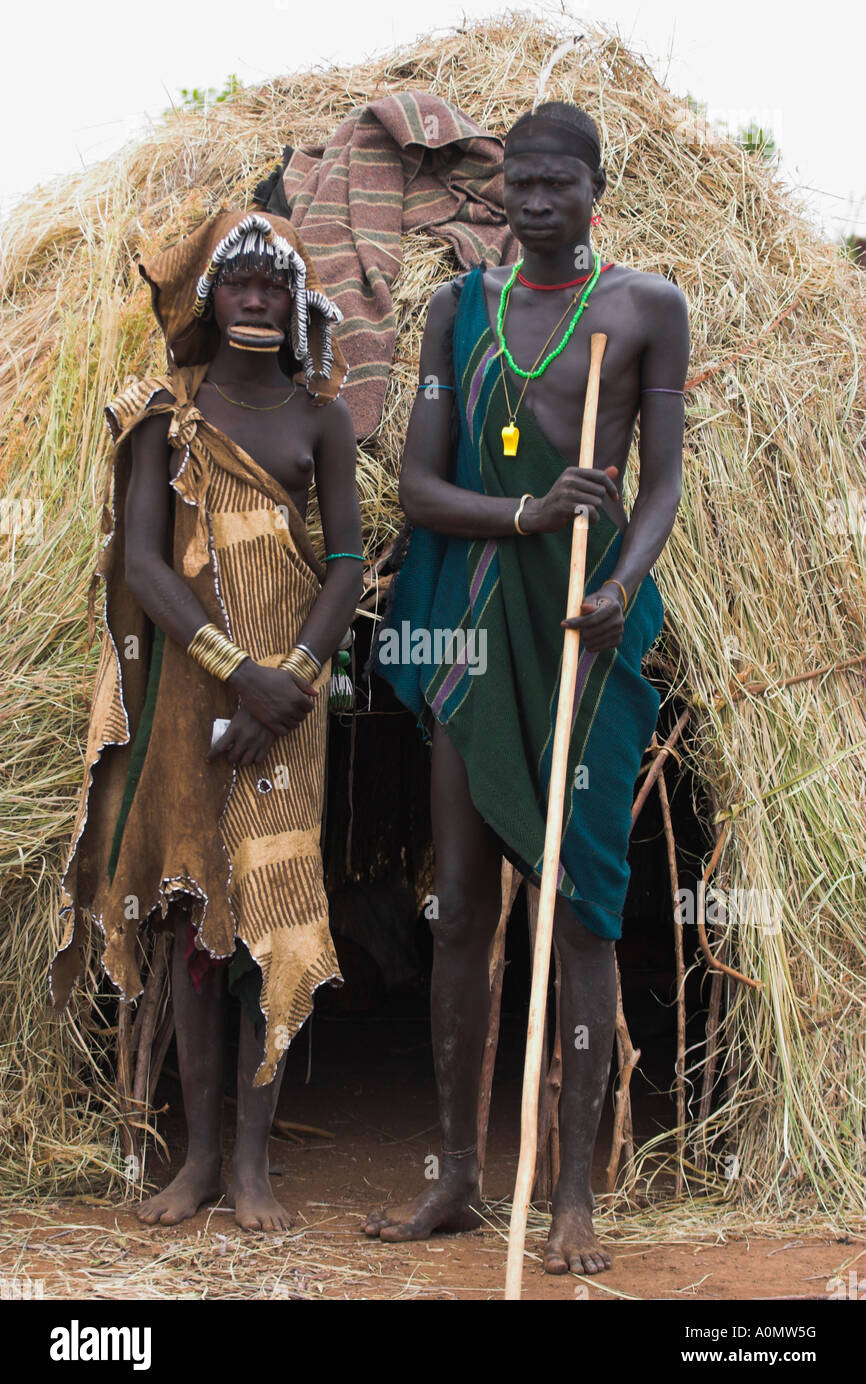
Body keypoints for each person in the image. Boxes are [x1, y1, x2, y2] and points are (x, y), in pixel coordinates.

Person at [365, 103, 688, 1274]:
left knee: (580, 906)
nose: (537, 201)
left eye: (561, 183)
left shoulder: (645, 309)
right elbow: (412, 489)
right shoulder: (459, 311)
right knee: (459, 897)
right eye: (522, 184)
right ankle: (456, 1174)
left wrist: (620, 576)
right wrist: (524, 512)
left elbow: (661, 481)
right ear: (502, 191)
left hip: (581, 633)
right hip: (470, 630)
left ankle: (571, 1198)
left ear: (595, 188)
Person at [51, 210, 364, 1232]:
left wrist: (298, 673)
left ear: (296, 303)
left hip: (291, 699)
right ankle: (195, 1161)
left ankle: (252, 1163)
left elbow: (349, 562)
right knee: (192, 908)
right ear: (207, 298)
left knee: (270, 903)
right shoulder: (163, 413)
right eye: (237, 282)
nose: (255, 297)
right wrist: (237, 673)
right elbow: (143, 560)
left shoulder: (321, 418)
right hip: (193, 691)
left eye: (275, 285)